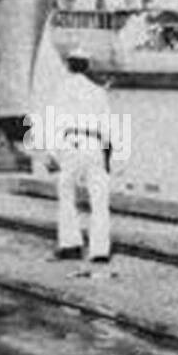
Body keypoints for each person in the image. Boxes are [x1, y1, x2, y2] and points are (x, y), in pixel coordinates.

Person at [53, 53, 112, 264]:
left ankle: (71, 244)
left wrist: (55, 154)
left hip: (70, 142)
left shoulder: (62, 90)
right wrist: (108, 158)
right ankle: (100, 250)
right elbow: (108, 129)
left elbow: (56, 124)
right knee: (99, 198)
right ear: (87, 66)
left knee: (67, 194)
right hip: (94, 144)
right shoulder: (98, 91)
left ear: (68, 66)